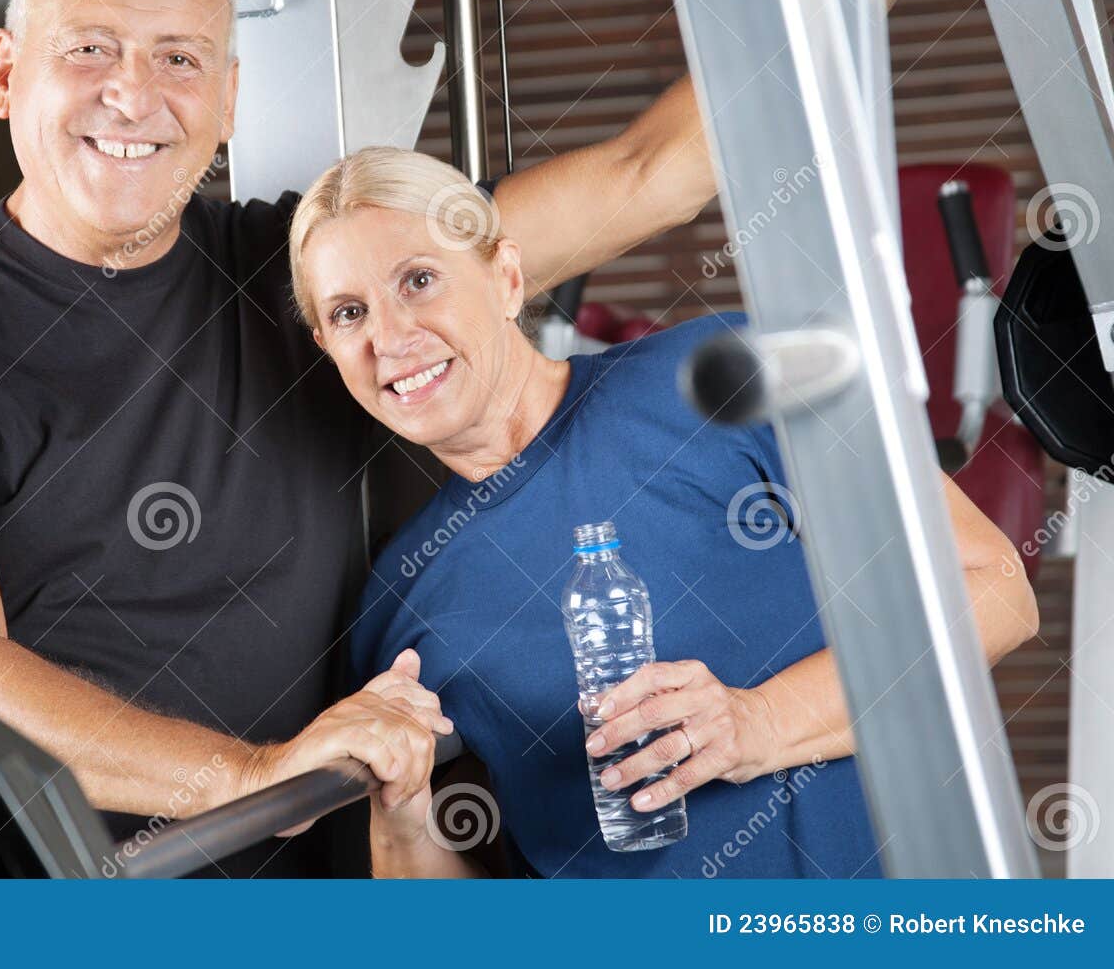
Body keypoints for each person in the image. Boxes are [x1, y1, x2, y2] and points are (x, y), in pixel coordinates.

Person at [0, 0, 959, 875]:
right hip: (77, 877)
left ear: (224, 98)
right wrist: (249, 775)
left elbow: (649, 170)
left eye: (178, 57)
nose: (134, 94)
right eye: (90, 49)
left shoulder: (301, 270)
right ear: (8, 73)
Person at [287, 145, 1040, 877]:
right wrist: (404, 821)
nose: (389, 337)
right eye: (349, 312)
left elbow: (996, 589)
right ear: (326, 345)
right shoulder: (406, 602)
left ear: (507, 277)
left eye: (418, 280)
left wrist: (759, 723)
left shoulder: (723, 375)